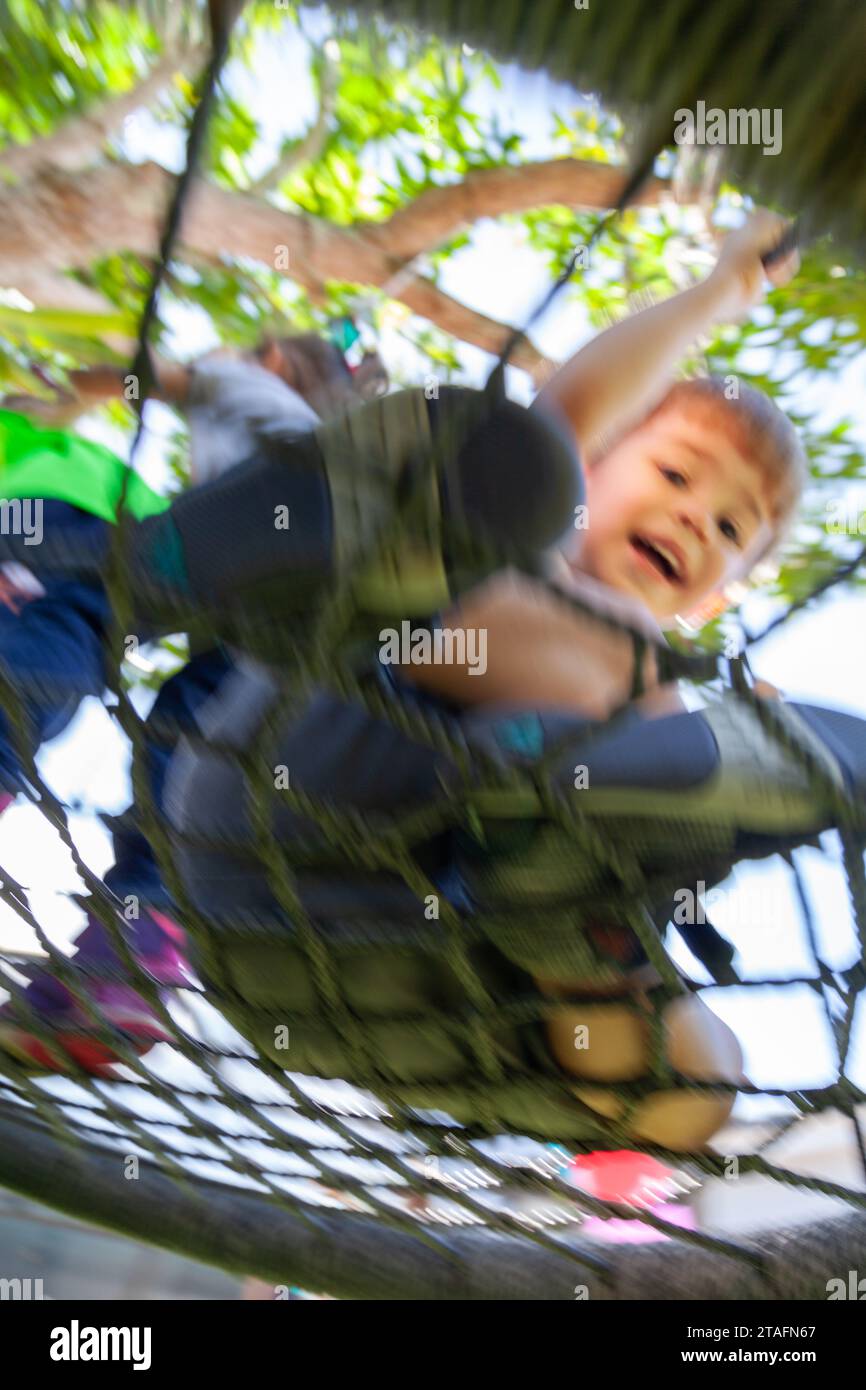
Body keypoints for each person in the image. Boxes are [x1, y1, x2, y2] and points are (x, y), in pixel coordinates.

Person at [0, 212, 804, 1153]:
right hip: (287, 827)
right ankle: (581, 830)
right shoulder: (518, 546)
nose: (694, 523)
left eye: (730, 531)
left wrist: (737, 761)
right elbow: (562, 419)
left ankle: (583, 954)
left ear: (717, 600)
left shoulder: (659, 669)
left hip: (429, 998)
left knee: (704, 1088)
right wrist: (725, 290)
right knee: (575, 597)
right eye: (674, 473)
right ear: (593, 467)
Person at [0, 327, 389, 1071]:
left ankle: (124, 955)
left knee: (86, 642)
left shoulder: (249, 388)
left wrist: (77, 390)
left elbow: (159, 375)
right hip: (327, 633)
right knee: (196, 755)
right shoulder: (336, 453)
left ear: (273, 359)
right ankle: (126, 963)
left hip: (269, 552)